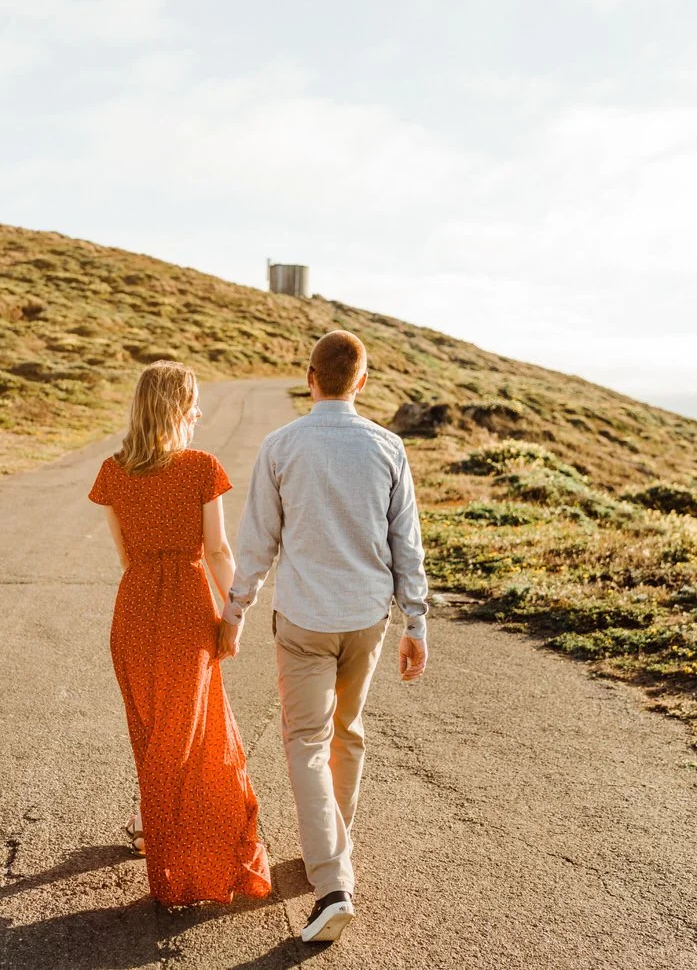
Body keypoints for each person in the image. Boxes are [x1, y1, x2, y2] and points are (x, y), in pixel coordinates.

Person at [221, 330, 429, 944]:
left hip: (306, 619)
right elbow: (406, 546)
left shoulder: (282, 445)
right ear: (361, 381)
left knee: (307, 742)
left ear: (309, 376)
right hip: (368, 616)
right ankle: (331, 847)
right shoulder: (388, 447)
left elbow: (259, 539)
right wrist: (416, 623)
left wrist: (236, 609)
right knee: (348, 733)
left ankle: (333, 881)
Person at [88, 361, 272, 907]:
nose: (199, 412)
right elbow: (216, 551)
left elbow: (126, 556)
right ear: (174, 407)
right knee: (194, 736)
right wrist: (234, 613)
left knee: (153, 735)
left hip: (134, 612)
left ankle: (163, 841)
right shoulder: (200, 468)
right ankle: (191, 858)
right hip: (187, 611)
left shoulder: (112, 471)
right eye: (193, 401)